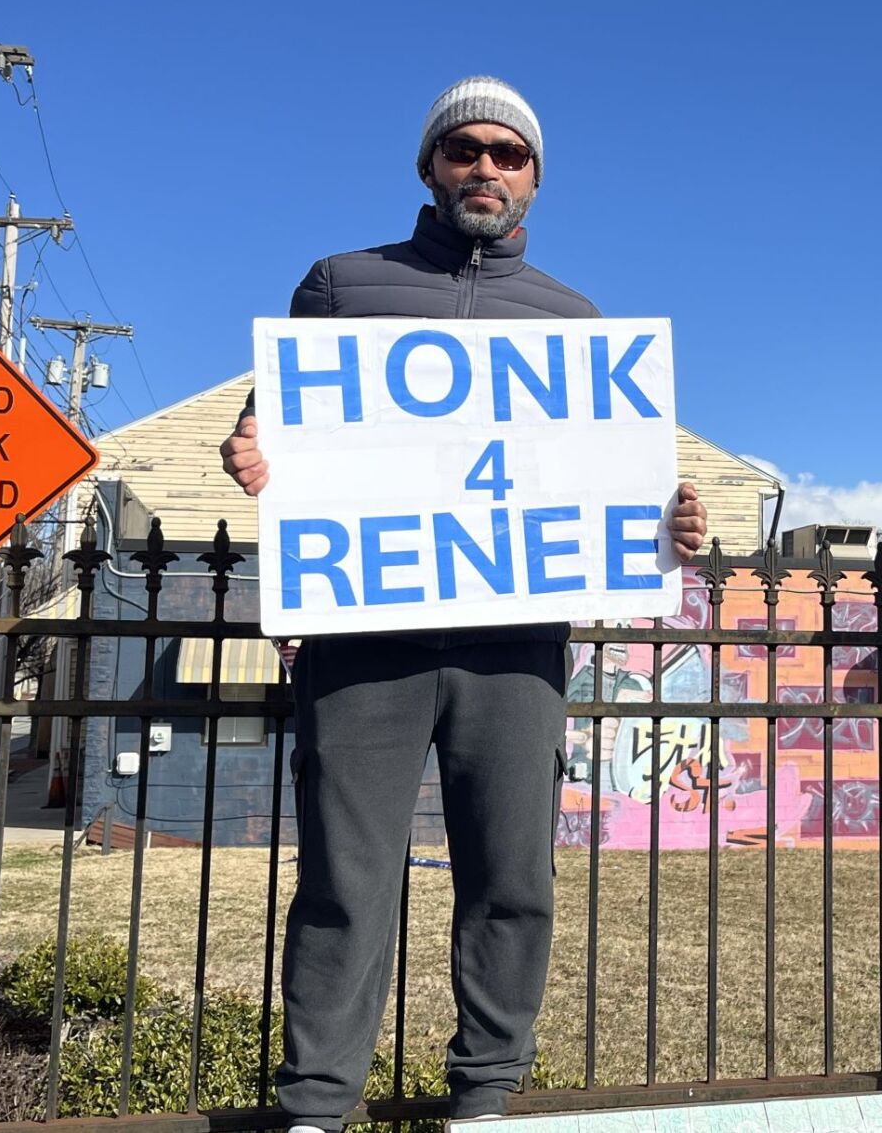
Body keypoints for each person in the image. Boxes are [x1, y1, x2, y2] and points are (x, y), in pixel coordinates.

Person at [220, 76, 709, 1128]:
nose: (484, 167)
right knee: (345, 880)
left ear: (534, 179)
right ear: (429, 167)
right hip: (363, 640)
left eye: (507, 154)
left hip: (515, 649)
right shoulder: (341, 285)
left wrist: (662, 529)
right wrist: (255, 457)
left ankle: (484, 1097)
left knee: (512, 880)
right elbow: (276, 433)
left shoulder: (574, 323)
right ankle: (316, 1105)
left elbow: (607, 490)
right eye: (464, 149)